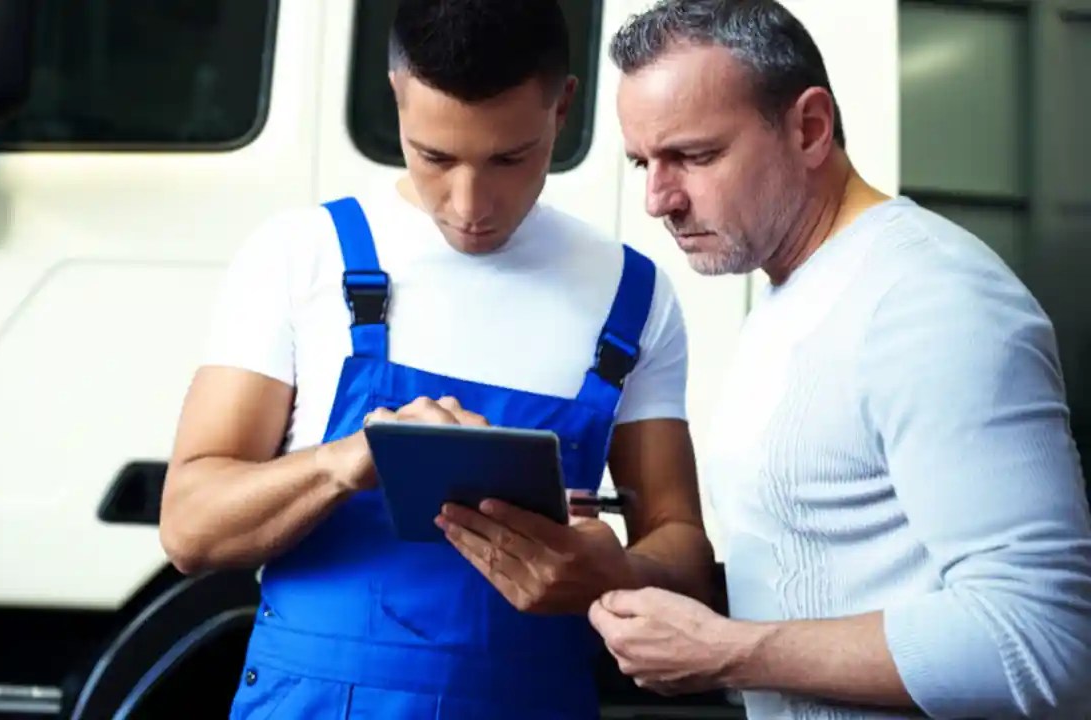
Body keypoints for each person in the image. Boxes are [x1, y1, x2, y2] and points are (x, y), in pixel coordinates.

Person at [158, 1, 717, 717]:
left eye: (510, 158)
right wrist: (348, 461)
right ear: (397, 95)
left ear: (564, 107)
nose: (469, 204)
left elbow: (688, 560)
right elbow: (190, 527)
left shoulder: (631, 297)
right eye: (435, 156)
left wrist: (620, 570)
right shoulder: (301, 257)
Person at [585, 1, 1091, 718]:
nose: (657, 199)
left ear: (810, 128)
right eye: (644, 161)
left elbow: (1044, 643)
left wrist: (728, 649)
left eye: (694, 157)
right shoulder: (796, 288)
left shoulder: (932, 303)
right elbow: (818, 581)